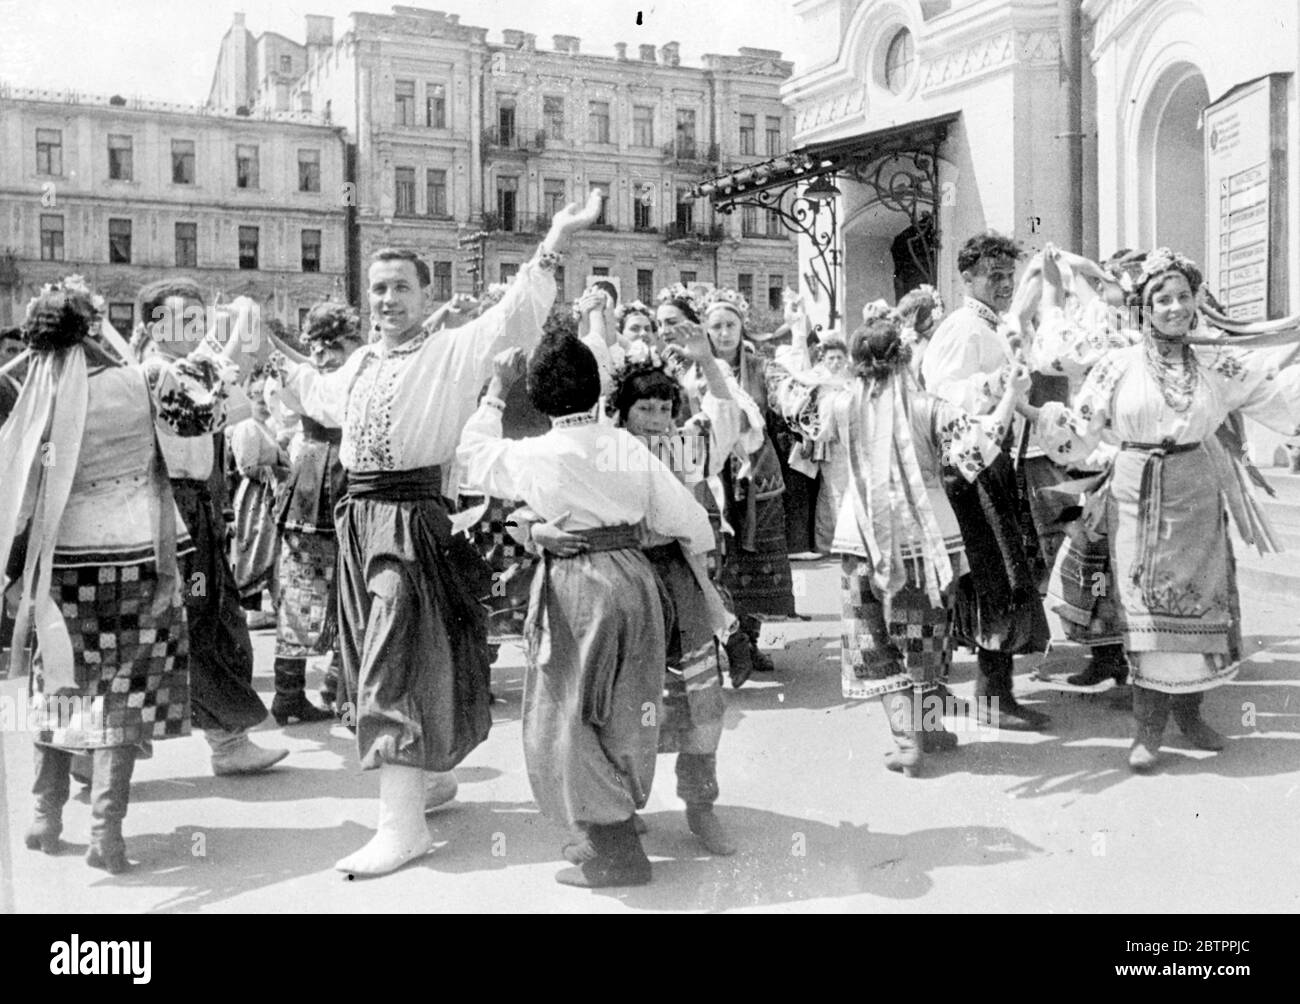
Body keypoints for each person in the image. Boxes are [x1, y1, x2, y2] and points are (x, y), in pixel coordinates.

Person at [272, 191, 603, 877]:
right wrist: (271, 359)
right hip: (356, 522)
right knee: (371, 653)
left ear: (427, 295)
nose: (387, 300)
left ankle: (403, 827)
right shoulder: (362, 362)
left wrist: (557, 236)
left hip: (410, 520)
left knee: (394, 658)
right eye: (378, 290)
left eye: (400, 288)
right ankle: (428, 780)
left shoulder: (452, 349)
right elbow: (319, 394)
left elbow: (515, 313)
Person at [0, 278, 262, 873]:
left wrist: (15, 572)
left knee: (60, 683)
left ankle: (45, 815)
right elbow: (213, 414)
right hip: (139, 559)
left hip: (62, 565)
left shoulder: (31, 395)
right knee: (123, 693)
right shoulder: (142, 380)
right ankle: (105, 835)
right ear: (95, 329)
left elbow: (20, 496)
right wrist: (221, 359)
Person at [457, 333, 715, 888]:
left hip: (577, 585)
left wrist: (496, 394)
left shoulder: (534, 453)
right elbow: (690, 520)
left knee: (566, 710)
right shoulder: (625, 447)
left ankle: (615, 846)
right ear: (596, 388)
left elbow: (471, 458)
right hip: (638, 580)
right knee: (629, 703)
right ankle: (617, 820)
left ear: (541, 397)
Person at [1035, 247, 1300, 771]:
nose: (1175, 307)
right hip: (1137, 495)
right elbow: (1081, 433)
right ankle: (1148, 732)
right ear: (1144, 307)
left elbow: (1275, 389)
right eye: (1163, 298)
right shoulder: (1117, 364)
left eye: (1184, 297)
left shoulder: (1214, 361)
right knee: (1145, 612)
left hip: (1197, 491)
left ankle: (1192, 716)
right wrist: (1043, 416)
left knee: (1200, 607)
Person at [830, 307, 1031, 775]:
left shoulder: (842, 406)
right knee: (923, 639)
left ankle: (909, 741)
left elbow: (795, 406)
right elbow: (980, 448)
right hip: (926, 543)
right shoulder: (929, 407)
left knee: (871, 639)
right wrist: (1010, 398)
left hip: (860, 542)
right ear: (905, 360)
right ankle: (928, 729)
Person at [134, 279, 290, 775]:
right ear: (154, 325)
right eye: (183, 319)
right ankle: (219, 739)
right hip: (171, 512)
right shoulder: (158, 372)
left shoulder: (185, 370)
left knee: (206, 620)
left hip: (199, 508)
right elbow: (207, 404)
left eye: (199, 319)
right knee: (190, 622)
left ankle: (222, 740)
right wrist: (240, 323)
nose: (196, 329)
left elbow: (233, 405)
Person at [920, 232, 1051, 730]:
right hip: (970, 469)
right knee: (992, 578)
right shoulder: (962, 328)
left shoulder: (994, 326)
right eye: (992, 275)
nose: (1002, 283)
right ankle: (992, 697)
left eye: (1007, 276)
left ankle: (996, 691)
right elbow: (945, 397)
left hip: (993, 462)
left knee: (1004, 574)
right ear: (967, 277)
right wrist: (999, 387)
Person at [269, 301, 364, 725]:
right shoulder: (347, 376)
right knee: (347, 590)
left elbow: (282, 417)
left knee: (303, 591)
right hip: (340, 478)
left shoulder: (297, 375)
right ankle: (335, 695)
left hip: (305, 483)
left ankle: (296, 693)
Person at [698, 287, 797, 674]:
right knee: (712, 558)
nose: (724, 333)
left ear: (742, 327)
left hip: (757, 474)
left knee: (754, 560)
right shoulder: (691, 369)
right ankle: (717, 640)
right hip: (709, 471)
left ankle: (750, 641)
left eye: (731, 325)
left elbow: (785, 391)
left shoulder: (759, 367)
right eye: (717, 326)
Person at [228, 367, 287, 624]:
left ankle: (272, 604)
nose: (264, 406)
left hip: (268, 495)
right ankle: (247, 606)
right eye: (258, 401)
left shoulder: (265, 427)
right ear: (249, 399)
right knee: (253, 546)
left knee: (268, 548)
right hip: (255, 496)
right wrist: (277, 470)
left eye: (267, 401)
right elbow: (247, 467)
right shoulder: (248, 427)